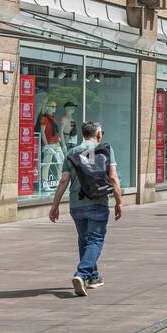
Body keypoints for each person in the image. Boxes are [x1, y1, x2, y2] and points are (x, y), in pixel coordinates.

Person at [49, 121, 123, 296]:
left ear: (83, 134)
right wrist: (119, 202)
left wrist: (55, 206)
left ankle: (93, 277)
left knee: (84, 240)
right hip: (98, 202)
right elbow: (112, 178)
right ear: (98, 134)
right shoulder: (105, 149)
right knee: (95, 240)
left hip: (76, 204)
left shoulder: (71, 153)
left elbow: (63, 181)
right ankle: (82, 274)